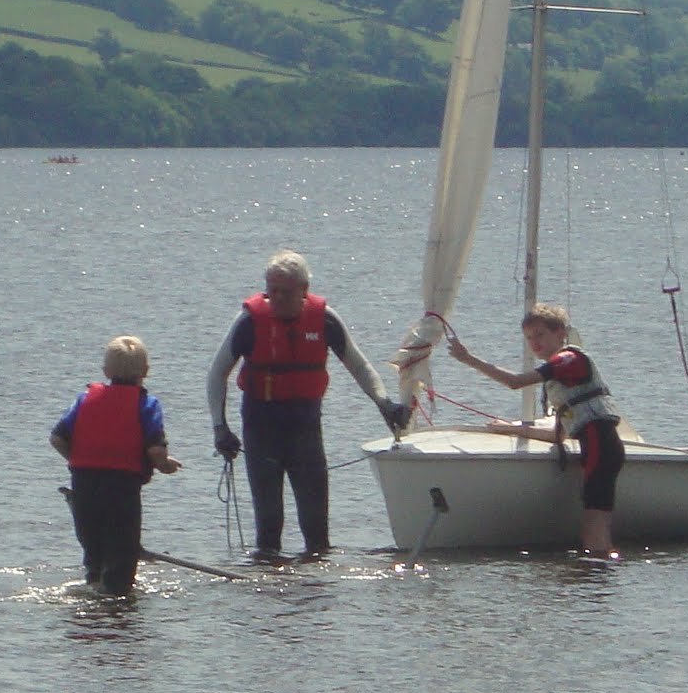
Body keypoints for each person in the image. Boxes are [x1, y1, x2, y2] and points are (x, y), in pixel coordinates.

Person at [208, 249, 408, 557]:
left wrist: (385, 404)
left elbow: (360, 366)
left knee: (316, 529)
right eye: (271, 290)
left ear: (304, 290)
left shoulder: (325, 320)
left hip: (305, 429)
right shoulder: (249, 321)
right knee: (269, 525)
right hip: (261, 428)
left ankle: (316, 591)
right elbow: (217, 373)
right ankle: (267, 592)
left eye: (285, 292)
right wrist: (220, 428)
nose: (277, 298)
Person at [447, 303, 625, 557]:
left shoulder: (568, 359)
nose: (534, 343)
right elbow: (557, 435)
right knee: (593, 523)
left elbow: (515, 382)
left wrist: (468, 359)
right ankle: (596, 576)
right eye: (529, 338)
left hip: (601, 447)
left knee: (594, 523)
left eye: (540, 334)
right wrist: (513, 430)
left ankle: (596, 583)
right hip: (598, 447)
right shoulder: (559, 381)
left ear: (560, 333)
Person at [50, 335, 181, 594]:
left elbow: (57, 438)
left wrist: (78, 460)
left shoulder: (85, 400)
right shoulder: (146, 405)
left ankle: (93, 600)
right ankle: (118, 616)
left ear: (106, 371)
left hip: (85, 487)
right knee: (122, 560)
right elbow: (155, 449)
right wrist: (165, 465)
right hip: (122, 491)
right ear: (145, 371)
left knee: (94, 554)